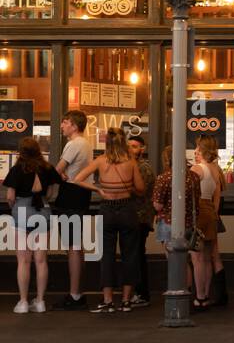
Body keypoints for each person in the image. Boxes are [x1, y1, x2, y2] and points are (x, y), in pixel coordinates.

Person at [71, 126, 145, 314]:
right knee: (130, 255)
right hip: (127, 208)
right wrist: (127, 188)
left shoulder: (101, 161)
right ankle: (127, 300)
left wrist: (99, 189)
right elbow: (141, 188)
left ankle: (108, 300)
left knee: (107, 255)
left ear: (107, 143)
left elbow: (77, 179)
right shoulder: (131, 162)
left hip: (107, 210)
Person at [5, 137, 58, 313]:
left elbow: (10, 196)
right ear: (37, 150)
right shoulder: (48, 168)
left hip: (22, 212)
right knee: (41, 260)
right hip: (43, 212)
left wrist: (16, 206)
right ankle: (41, 301)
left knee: (24, 260)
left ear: (21, 151)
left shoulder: (16, 169)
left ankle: (23, 302)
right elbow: (50, 192)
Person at [53, 110, 92, 310]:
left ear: (74, 126)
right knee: (77, 247)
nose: (62, 126)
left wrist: (58, 175)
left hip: (70, 198)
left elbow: (57, 170)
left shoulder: (74, 144)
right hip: (81, 196)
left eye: (65, 122)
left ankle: (75, 294)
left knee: (73, 247)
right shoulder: (86, 144)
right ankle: (78, 292)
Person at [152, 146, 201, 299]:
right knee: (185, 260)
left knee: (174, 261)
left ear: (167, 160)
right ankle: (187, 292)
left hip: (168, 222)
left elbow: (157, 205)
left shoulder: (164, 178)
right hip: (189, 222)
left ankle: (177, 292)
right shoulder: (193, 177)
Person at [189, 136, 223, 312]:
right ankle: (206, 295)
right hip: (210, 210)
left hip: (198, 210)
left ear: (203, 151)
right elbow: (217, 197)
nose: (195, 152)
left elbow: (188, 191)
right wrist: (214, 214)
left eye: (197, 149)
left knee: (197, 258)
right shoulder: (215, 169)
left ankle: (199, 296)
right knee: (208, 257)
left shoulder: (197, 169)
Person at [125, 137, 155, 309]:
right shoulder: (130, 166)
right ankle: (137, 291)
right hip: (132, 216)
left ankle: (142, 293)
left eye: (134, 146)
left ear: (142, 149)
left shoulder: (143, 168)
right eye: (128, 145)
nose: (130, 149)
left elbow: (139, 191)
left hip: (140, 217)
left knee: (137, 256)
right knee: (134, 254)